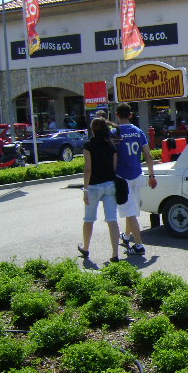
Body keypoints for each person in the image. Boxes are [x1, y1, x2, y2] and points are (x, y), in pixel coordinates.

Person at [114, 103, 157, 257]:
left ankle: (139, 245)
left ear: (117, 115)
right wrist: (152, 176)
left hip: (122, 176)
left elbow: (113, 157)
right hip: (137, 175)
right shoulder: (139, 132)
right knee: (131, 207)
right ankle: (126, 236)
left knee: (129, 211)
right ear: (130, 115)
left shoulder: (115, 133)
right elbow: (148, 155)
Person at [78, 117, 120, 262]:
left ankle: (86, 248)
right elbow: (114, 169)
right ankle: (115, 254)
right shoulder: (111, 145)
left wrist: (85, 189)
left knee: (89, 219)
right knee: (112, 219)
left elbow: (88, 169)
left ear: (92, 130)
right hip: (110, 184)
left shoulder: (88, 145)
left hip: (94, 186)